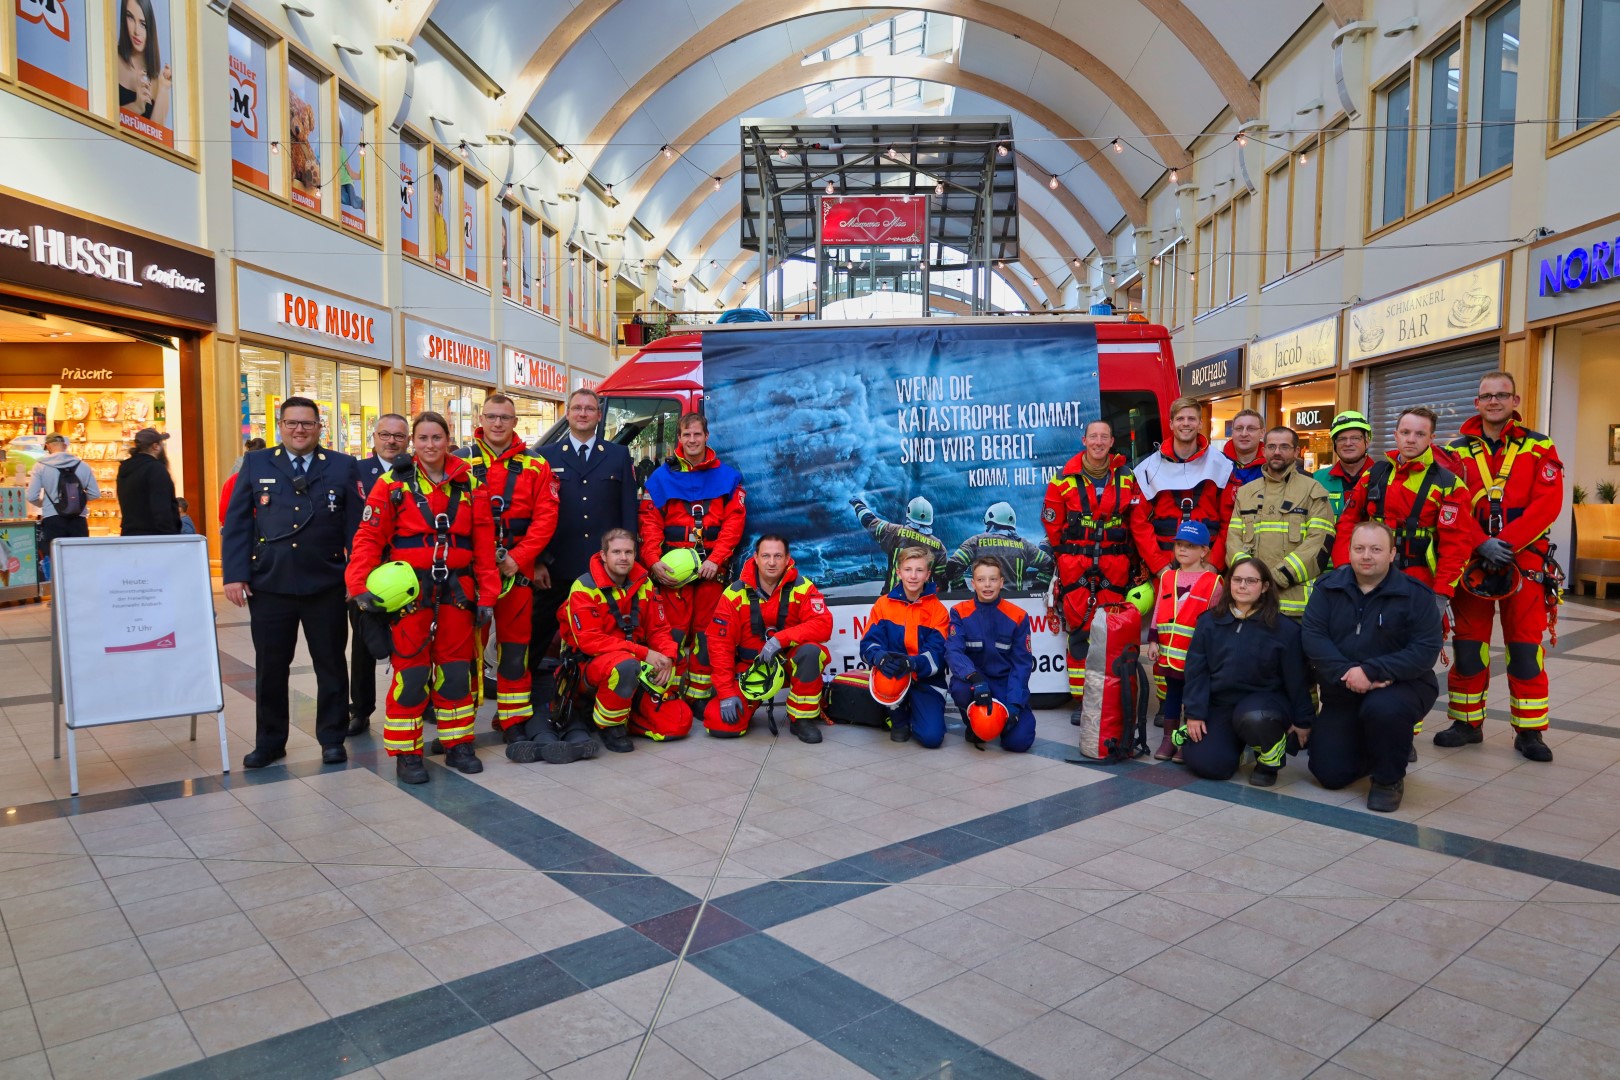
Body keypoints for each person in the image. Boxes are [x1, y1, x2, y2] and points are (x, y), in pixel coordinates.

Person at [347, 411, 499, 783]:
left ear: (448, 440)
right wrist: (358, 587)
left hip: (457, 594)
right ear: (414, 443)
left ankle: (458, 744)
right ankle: (407, 752)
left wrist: (487, 596)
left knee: (455, 675)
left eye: (437, 438)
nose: (430, 445)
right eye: (423, 438)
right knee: (411, 676)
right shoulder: (391, 484)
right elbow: (368, 537)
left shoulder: (469, 483)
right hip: (409, 596)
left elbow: (483, 543)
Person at [222, 398, 365, 769]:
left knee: (331, 665)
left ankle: (332, 738)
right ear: (280, 426)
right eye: (292, 423)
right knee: (271, 668)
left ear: (320, 427)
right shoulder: (256, 462)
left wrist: (356, 577)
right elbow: (238, 523)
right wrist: (235, 574)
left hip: (326, 584)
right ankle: (269, 742)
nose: (299, 430)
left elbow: (354, 527)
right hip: (270, 584)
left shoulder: (341, 465)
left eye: (307, 424)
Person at [1438, 372, 1565, 762]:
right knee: (1468, 647)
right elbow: (1450, 504)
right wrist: (1482, 543)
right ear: (1476, 403)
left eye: (1502, 395)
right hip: (1472, 555)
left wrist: (1503, 545)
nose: (1494, 401)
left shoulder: (1540, 446)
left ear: (1515, 400)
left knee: (1526, 650)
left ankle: (1530, 732)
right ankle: (1466, 722)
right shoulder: (1453, 450)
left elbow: (1549, 503)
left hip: (1523, 559)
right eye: (1486, 396)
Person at [1303, 520, 1443, 811]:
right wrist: (1350, 674)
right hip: (1343, 689)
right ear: (1350, 552)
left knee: (1383, 710)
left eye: (1376, 549)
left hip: (1399, 688)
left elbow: (1425, 650)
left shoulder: (1416, 595)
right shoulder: (1328, 589)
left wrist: (1372, 672)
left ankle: (1388, 779)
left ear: (1392, 554)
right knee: (1329, 774)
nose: (1366, 555)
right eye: (1359, 548)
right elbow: (1313, 638)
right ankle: (1373, 747)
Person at [531, 388, 638, 727]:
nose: (582, 413)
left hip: (604, 572)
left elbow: (628, 512)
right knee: (537, 637)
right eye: (576, 408)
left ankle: (593, 704)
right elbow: (537, 514)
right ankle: (528, 704)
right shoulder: (545, 456)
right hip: (556, 566)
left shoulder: (618, 455)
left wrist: (627, 559)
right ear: (566, 413)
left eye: (589, 409)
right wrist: (538, 560)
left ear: (598, 415)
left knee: (606, 638)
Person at [456, 394, 559, 743]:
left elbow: (546, 519)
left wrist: (520, 558)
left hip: (517, 569)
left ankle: (512, 723)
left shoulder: (536, 465)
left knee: (515, 650)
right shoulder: (458, 462)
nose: (498, 423)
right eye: (492, 416)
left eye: (505, 417)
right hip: (470, 570)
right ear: (480, 419)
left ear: (516, 422)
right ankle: (460, 729)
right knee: (463, 653)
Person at [1043, 419, 1159, 720]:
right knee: (1080, 634)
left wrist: (1156, 565)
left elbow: (1139, 523)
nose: (1097, 442)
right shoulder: (1063, 479)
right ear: (1084, 440)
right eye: (1093, 437)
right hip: (1074, 568)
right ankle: (1084, 701)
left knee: (1109, 634)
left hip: (1115, 567)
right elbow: (1053, 525)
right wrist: (1070, 555)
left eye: (1103, 437)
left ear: (1111, 442)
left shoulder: (1126, 477)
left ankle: (1109, 696)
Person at [641, 413, 746, 715]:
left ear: (706, 436)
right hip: (673, 570)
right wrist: (652, 562)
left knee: (705, 634)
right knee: (672, 632)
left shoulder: (728, 477)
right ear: (680, 438)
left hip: (712, 570)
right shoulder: (661, 477)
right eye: (686, 435)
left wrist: (717, 559)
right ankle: (669, 691)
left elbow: (733, 525)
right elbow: (649, 523)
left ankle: (698, 695)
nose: (691, 440)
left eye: (697, 435)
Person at [1179, 558, 1313, 786]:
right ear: (1229, 583)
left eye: (1251, 581)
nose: (1242, 586)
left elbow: (1297, 678)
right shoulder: (1209, 622)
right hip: (1221, 704)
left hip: (1264, 705)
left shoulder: (1285, 630)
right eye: (1237, 579)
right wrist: (1194, 713)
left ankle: (1269, 760)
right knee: (1210, 766)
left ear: (1265, 586)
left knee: (1254, 718)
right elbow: (1196, 671)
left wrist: (1304, 720)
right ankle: (1241, 749)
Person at [1331, 405, 1479, 613]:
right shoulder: (1375, 475)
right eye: (1405, 432)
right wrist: (1345, 566)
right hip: (1369, 576)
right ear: (1396, 435)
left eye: (1420, 434)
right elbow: (1347, 522)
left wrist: (1441, 594)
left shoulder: (1449, 485)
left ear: (1431, 438)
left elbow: (1456, 545)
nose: (1411, 439)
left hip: (1420, 583)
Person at [559, 528, 689, 752]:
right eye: (616, 552)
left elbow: (659, 629)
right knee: (625, 665)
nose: (623, 557)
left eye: (629, 552)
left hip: (633, 664)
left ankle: (626, 715)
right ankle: (611, 725)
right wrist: (644, 653)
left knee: (678, 724)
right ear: (603, 555)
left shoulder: (644, 584)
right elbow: (589, 642)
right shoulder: (584, 588)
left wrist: (667, 656)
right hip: (589, 667)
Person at [705, 534, 832, 742]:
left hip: (788, 664)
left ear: (787, 558)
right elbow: (720, 645)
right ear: (755, 557)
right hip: (750, 669)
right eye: (766, 556)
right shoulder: (734, 593)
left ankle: (802, 719)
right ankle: (746, 707)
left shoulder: (803, 587)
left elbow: (823, 626)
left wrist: (780, 639)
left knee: (812, 651)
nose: (771, 562)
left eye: (777, 556)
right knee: (720, 726)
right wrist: (727, 692)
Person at [1225, 427, 1335, 619]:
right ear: (1264, 451)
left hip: (1295, 608)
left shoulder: (1313, 490)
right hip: (1250, 605)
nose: (1277, 452)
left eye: (1284, 447)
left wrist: (1275, 578)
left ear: (1296, 452)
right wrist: (1250, 581)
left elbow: (1319, 544)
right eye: (1272, 446)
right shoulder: (1245, 493)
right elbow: (1233, 541)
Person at [347, 416, 409, 738]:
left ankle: (418, 700)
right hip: (367, 574)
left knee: (415, 639)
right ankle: (361, 710)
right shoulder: (354, 472)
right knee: (363, 646)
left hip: (408, 574)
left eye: (399, 435)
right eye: (385, 434)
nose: (392, 441)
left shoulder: (417, 472)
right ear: (374, 437)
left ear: (408, 439)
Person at [860, 547, 951, 747]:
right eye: (908, 569)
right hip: (893, 675)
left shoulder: (938, 611)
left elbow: (938, 653)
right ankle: (898, 717)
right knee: (886, 679)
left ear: (928, 575)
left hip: (925, 680)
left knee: (932, 739)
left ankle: (917, 710)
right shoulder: (883, 605)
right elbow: (869, 644)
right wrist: (880, 658)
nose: (913, 576)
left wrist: (913, 663)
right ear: (899, 572)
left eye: (919, 570)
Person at [1135, 396, 1236, 573]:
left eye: (1191, 419)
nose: (1186, 423)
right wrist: (1159, 567)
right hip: (1166, 567)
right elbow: (1139, 522)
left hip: (1207, 565)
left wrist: (1213, 565)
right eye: (1180, 419)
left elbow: (1230, 522)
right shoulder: (1150, 467)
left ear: (1200, 424)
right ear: (1171, 424)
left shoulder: (1221, 465)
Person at [945, 557, 1036, 753]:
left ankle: (1002, 722)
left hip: (1005, 685)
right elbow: (953, 651)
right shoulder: (959, 612)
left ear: (1002, 582)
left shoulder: (1018, 616)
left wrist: (1013, 705)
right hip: (974, 682)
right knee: (959, 689)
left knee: (1018, 742)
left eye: (993, 579)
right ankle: (974, 724)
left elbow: (1022, 664)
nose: (987, 585)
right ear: (973, 583)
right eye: (981, 579)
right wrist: (975, 679)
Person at [1147, 522, 1220, 760]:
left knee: (1193, 697)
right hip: (1170, 653)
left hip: (1196, 657)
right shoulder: (1168, 576)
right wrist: (1153, 640)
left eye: (1190, 546)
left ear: (1204, 551)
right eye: (1179, 544)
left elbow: (1215, 622)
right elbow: (1159, 609)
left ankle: (1185, 740)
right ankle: (1168, 740)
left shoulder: (1213, 582)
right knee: (1172, 695)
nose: (1183, 550)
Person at [945, 502, 1053, 592]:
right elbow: (1049, 565)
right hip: (1016, 606)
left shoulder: (975, 542)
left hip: (983, 604)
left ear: (990, 522)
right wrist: (1037, 589)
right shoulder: (1024, 546)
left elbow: (952, 566)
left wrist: (962, 591)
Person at [849, 494, 948, 590]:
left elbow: (868, 520)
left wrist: (858, 504)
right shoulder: (938, 546)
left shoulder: (893, 532)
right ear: (930, 517)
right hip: (922, 603)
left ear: (909, 513)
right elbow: (941, 583)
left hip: (891, 602)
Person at [27, 433, 99, 552]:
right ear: (65, 446)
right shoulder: (83, 465)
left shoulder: (40, 466)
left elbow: (31, 495)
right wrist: (76, 500)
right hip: (78, 519)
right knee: (80, 557)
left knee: (55, 559)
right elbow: (95, 493)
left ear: (48, 447)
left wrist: (43, 503)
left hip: (53, 519)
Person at [117, 428, 180, 535]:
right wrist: (170, 535)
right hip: (154, 535)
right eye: (162, 444)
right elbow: (161, 507)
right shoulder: (156, 468)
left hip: (130, 533)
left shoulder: (125, 467)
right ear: (155, 446)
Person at [117, 0, 171, 126]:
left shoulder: (160, 82)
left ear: (150, 29)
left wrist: (163, 88)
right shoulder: (111, 57)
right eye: (130, 17)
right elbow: (107, 116)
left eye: (143, 24)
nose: (136, 31)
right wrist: (136, 107)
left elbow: (156, 138)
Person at [1313, 411, 1374, 517]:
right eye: (1341, 439)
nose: (1348, 443)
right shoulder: (1317, 479)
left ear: (1367, 442)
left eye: (1355, 438)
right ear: (1334, 444)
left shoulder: (1384, 477)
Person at [218, 438, 267, 527]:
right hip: (261, 526)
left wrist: (225, 525)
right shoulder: (267, 478)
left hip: (237, 525)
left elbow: (224, 508)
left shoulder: (233, 479)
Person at [1222, 409, 1266, 491]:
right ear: (1232, 432)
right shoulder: (1219, 464)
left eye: (1251, 429)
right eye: (1239, 428)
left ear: (1262, 433)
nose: (1244, 434)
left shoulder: (1271, 467)